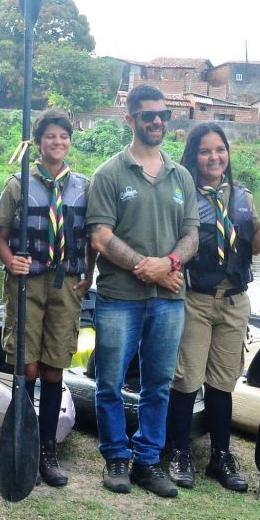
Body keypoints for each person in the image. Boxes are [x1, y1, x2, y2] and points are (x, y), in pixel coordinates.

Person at [85, 85, 199, 498]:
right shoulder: (109, 173)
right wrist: (144, 267)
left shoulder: (180, 175)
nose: (156, 122)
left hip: (169, 300)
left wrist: (168, 264)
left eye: (163, 115)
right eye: (148, 115)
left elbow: (192, 235)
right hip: (119, 298)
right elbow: (100, 236)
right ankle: (116, 457)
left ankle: (148, 460)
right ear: (130, 118)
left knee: (159, 383)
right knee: (110, 382)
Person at [165, 123, 260, 492]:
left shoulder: (241, 197)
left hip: (234, 301)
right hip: (194, 299)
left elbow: (256, 245)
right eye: (205, 151)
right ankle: (180, 452)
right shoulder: (182, 195)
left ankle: (220, 456)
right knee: (186, 380)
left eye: (220, 149)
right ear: (193, 155)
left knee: (222, 382)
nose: (214, 157)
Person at [0, 109, 90, 487]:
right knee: (27, 366)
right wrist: (8, 261)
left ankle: (48, 451)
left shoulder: (83, 186)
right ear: (38, 142)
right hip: (27, 284)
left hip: (65, 283)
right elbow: (0, 237)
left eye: (63, 137)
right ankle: (23, 445)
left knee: (54, 367)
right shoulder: (18, 184)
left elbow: (92, 237)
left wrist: (90, 272)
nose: (57, 142)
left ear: (70, 142)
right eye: (50, 136)